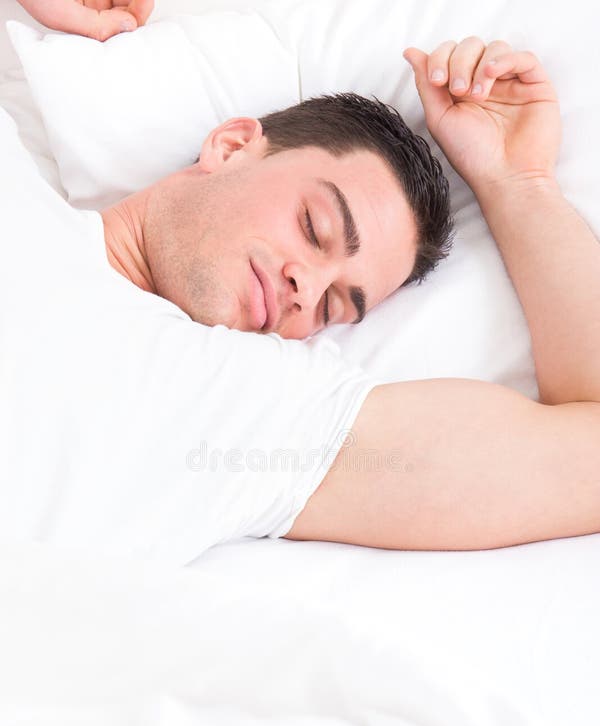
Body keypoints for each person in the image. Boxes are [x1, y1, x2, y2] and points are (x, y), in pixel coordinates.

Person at [4, 3, 600, 558]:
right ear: (233, 146)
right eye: (314, 228)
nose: (306, 290)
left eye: (335, 307)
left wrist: (520, 185)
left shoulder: (249, 415)